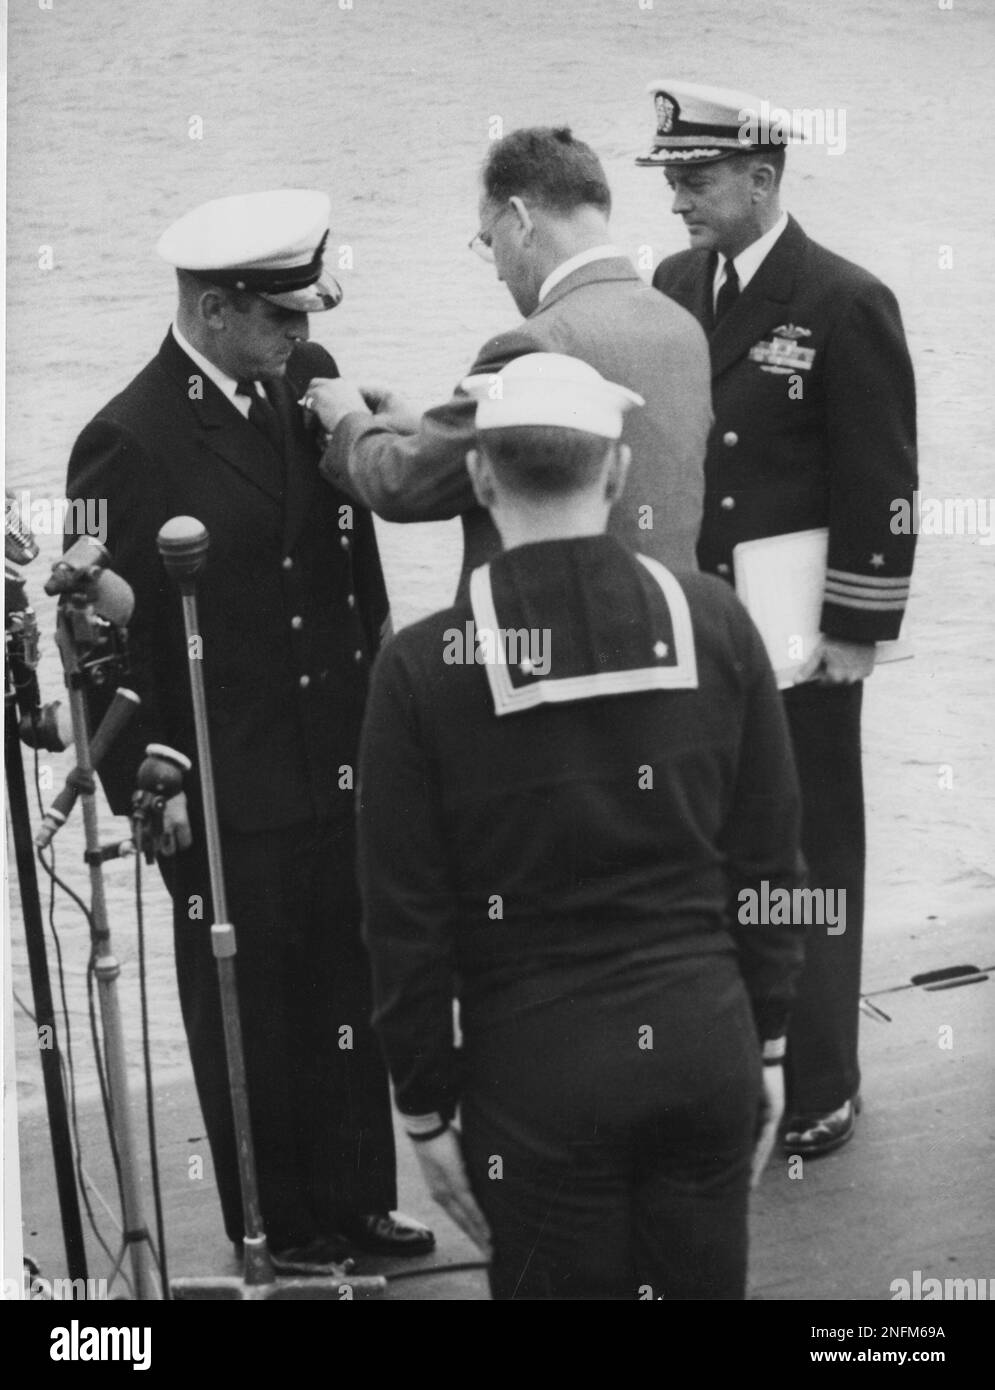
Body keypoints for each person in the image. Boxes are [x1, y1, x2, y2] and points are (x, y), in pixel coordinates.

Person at [355, 352, 807, 1301]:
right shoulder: (717, 621)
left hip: (537, 1078)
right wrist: (768, 1040)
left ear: (478, 476)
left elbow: (404, 920)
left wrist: (425, 1111)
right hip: (700, 1045)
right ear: (617, 472)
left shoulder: (420, 670)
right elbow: (771, 862)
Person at [64, 189, 433, 1273]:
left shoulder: (310, 391)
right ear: (218, 310)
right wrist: (145, 782)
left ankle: (359, 1200)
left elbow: (355, 584)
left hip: (336, 754)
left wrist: (392, 727)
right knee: (251, 1011)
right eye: (281, 318)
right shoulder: (125, 437)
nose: (303, 337)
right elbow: (94, 636)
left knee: (345, 986)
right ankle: (275, 1224)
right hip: (216, 782)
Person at [639, 81, 918, 1156]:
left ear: (761, 179)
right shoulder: (673, 284)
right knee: (702, 850)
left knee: (805, 857)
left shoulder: (843, 300)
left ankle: (818, 1084)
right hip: (701, 625)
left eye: (695, 178)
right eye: (670, 178)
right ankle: (718, 1071)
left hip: (800, 635)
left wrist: (857, 626)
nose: (676, 198)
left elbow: (880, 477)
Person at [304, 125, 711, 596]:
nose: (497, 269)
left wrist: (348, 420)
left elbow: (403, 485)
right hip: (669, 625)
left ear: (520, 218)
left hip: (547, 642)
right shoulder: (684, 327)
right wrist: (424, 424)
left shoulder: (531, 345)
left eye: (489, 238)